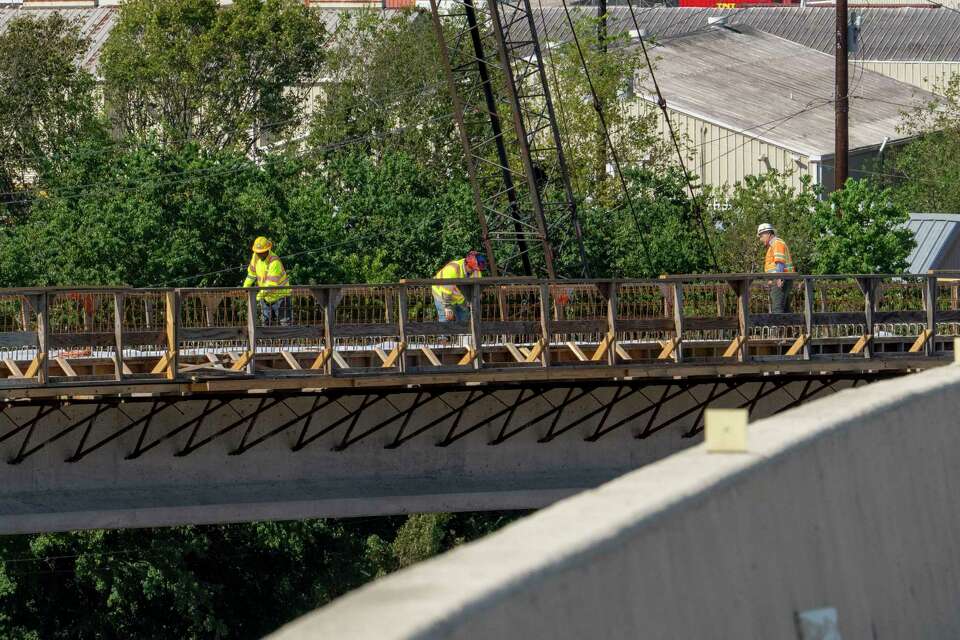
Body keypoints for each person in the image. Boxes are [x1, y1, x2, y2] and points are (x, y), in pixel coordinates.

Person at [242, 236, 292, 325]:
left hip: (281, 297)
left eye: (261, 252)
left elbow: (270, 286)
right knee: (266, 325)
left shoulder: (274, 262)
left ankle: (287, 334)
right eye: (257, 252)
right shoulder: (255, 257)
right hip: (266, 297)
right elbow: (251, 274)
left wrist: (257, 297)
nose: (259, 254)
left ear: (267, 250)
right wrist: (245, 287)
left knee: (285, 324)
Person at [432, 251, 487, 322]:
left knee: (464, 320)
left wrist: (471, 301)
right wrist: (447, 307)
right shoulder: (453, 269)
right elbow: (445, 291)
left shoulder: (476, 271)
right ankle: (445, 328)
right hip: (442, 295)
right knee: (445, 321)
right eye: (472, 269)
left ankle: (462, 329)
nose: (474, 271)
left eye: (475, 269)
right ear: (466, 264)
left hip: (459, 298)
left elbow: (475, 290)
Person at [757, 223, 795, 314]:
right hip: (783, 279)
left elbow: (780, 262)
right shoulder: (773, 245)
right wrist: (770, 280)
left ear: (768, 233)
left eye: (761, 236)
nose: (760, 239)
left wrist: (779, 278)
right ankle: (787, 323)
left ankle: (779, 324)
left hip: (781, 279)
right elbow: (773, 266)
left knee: (778, 309)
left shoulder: (777, 243)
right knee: (785, 309)